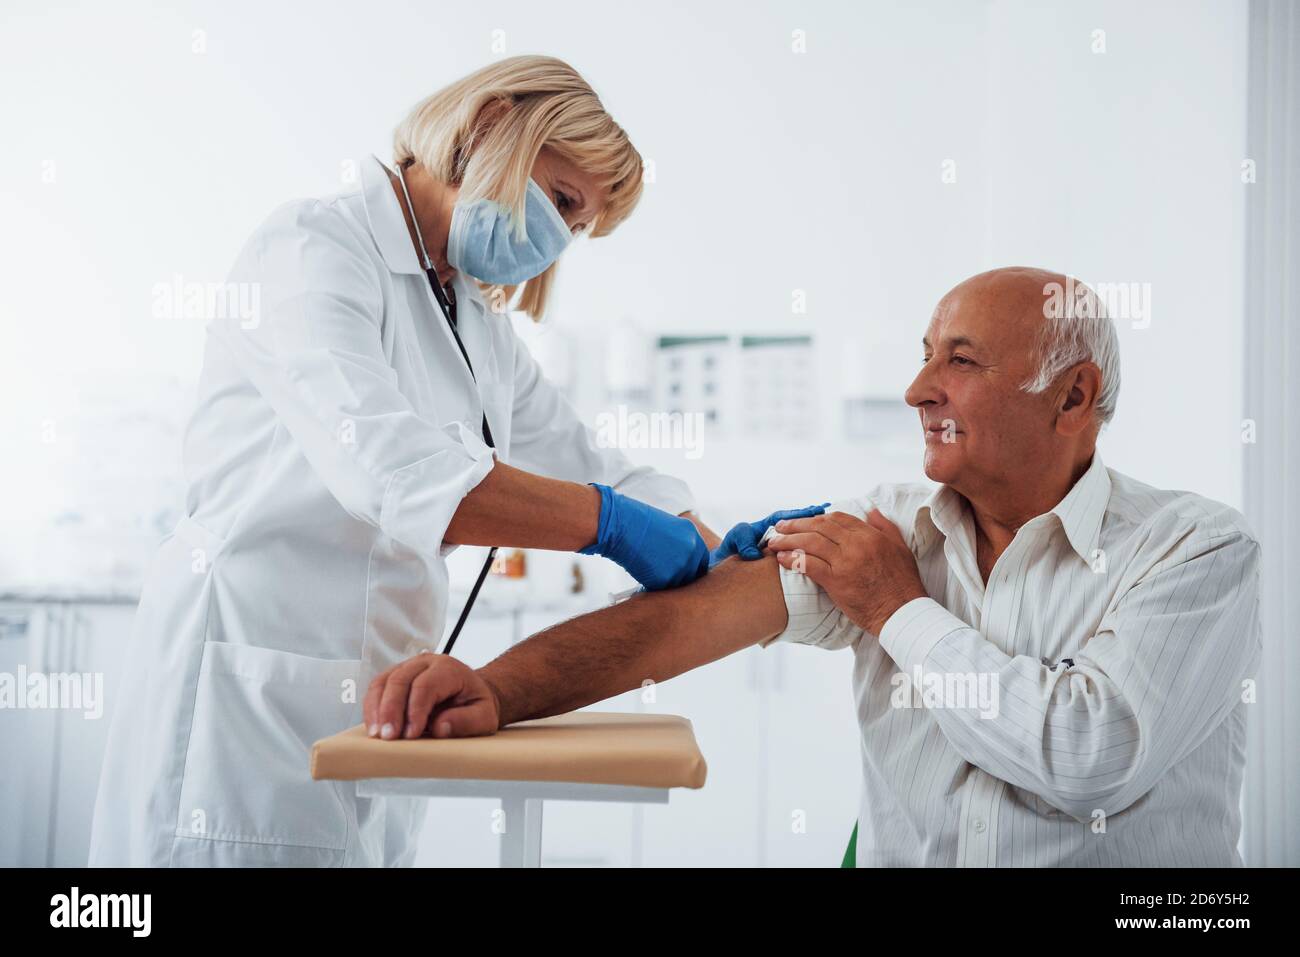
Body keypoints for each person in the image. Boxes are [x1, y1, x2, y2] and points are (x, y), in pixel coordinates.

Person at [89, 55, 818, 867]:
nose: (558, 242)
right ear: (489, 123)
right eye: (564, 201)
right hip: (247, 686)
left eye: (577, 232)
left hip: (380, 698)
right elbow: (391, 470)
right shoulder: (311, 250)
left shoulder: (472, 319)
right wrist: (610, 528)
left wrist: (702, 543)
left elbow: (588, 457)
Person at [368, 267, 1263, 867]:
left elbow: (1090, 753)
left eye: (960, 361)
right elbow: (688, 621)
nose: (918, 389)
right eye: (923, 355)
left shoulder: (1196, 550)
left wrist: (896, 609)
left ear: (1074, 396)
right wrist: (493, 688)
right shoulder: (891, 524)